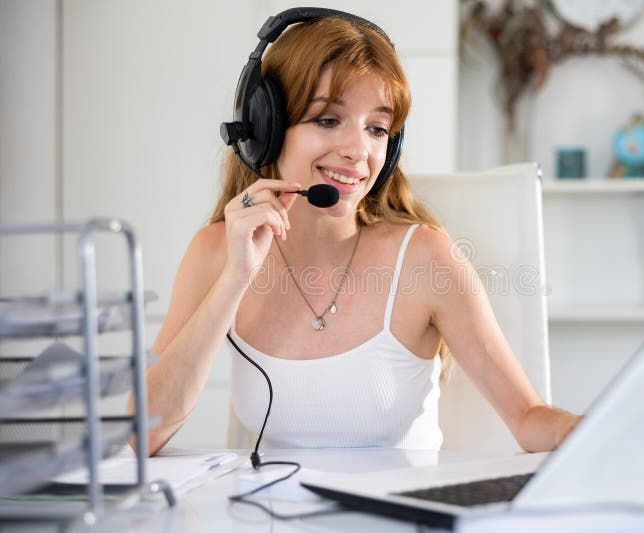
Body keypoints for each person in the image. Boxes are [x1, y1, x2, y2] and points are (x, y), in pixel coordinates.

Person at [137, 11, 581, 457]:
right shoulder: (216, 253)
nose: (358, 151)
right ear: (265, 130)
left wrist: (608, 429)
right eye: (328, 120)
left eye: (377, 129)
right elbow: (144, 435)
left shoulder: (427, 258)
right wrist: (235, 278)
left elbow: (529, 421)